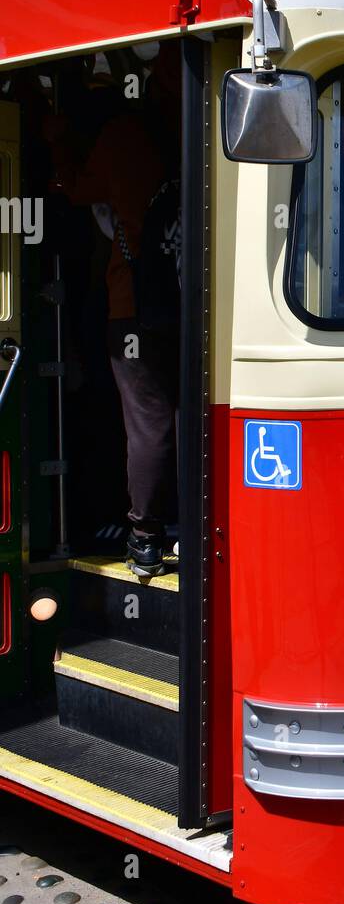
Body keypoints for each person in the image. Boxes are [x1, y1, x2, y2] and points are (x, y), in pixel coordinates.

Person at [49, 48, 181, 576]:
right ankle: (198, 524)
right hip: (197, 302)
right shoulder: (198, 126)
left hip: (134, 305)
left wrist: (57, 139)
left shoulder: (125, 137)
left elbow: (76, 188)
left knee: (148, 422)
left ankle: (145, 538)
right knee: (188, 416)